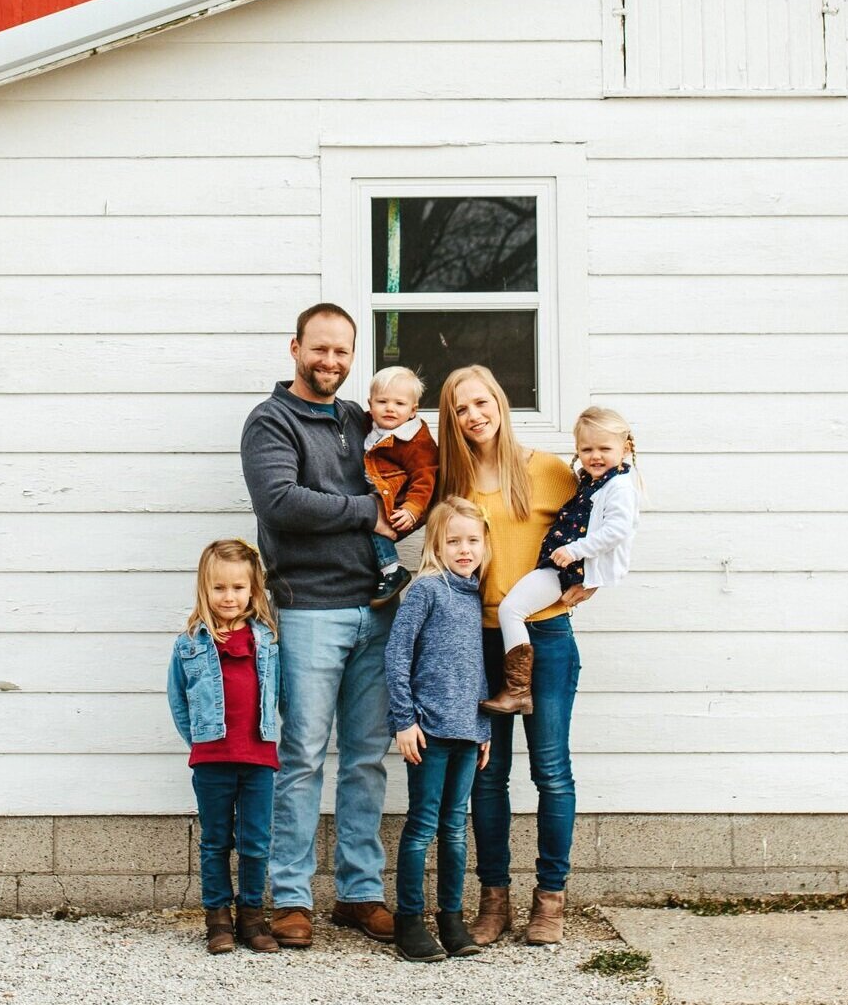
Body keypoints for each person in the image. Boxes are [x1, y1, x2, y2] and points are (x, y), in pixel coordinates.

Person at [238, 302, 395, 949]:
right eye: (320, 348)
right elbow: (282, 503)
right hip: (308, 608)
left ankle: (360, 893)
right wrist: (366, 511)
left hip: (377, 611)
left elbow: (404, 478)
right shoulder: (270, 422)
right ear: (296, 347)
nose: (331, 361)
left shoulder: (361, 420)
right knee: (301, 756)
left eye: (342, 352)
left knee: (367, 758)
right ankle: (293, 898)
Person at [434, 364, 590, 948]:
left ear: (500, 401)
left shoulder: (547, 470)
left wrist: (592, 579)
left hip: (546, 637)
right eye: (459, 409)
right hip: (479, 641)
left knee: (550, 771)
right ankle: (492, 898)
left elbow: (602, 526)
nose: (474, 415)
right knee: (487, 774)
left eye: (481, 402)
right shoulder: (452, 480)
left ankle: (550, 898)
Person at [383, 496, 495, 962]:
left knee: (454, 829)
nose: (464, 549)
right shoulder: (428, 590)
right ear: (437, 544)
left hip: (467, 735)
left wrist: (484, 727)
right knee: (422, 826)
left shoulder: (477, 596)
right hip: (427, 733)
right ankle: (409, 920)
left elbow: (478, 672)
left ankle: (451, 917)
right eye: (454, 541)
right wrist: (403, 721)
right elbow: (396, 655)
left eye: (472, 540)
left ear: (485, 545)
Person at [483, 407, 641, 716]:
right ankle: (517, 688)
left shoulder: (620, 487)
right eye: (587, 449)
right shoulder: (594, 481)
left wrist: (576, 550)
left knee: (511, 609)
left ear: (625, 448)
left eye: (604, 449)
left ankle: (517, 690)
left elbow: (618, 529)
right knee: (512, 608)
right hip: (562, 565)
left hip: (567, 570)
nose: (595, 456)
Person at [167, 538, 282, 954]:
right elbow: (178, 700)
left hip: (258, 758)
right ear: (205, 589)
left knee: (256, 841)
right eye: (219, 588)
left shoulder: (265, 641)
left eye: (238, 588)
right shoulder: (190, 644)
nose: (229, 597)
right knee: (216, 840)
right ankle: (217, 919)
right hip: (213, 760)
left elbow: (278, 692)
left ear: (252, 590)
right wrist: (201, 742)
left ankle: (252, 916)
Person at [363, 365, 438, 606]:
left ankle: (392, 569)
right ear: (370, 403)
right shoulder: (369, 426)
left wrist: (412, 508)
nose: (390, 408)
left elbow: (425, 476)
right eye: (382, 401)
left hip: (395, 498)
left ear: (413, 409)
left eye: (399, 404)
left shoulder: (415, 439)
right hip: (374, 488)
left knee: (375, 522)